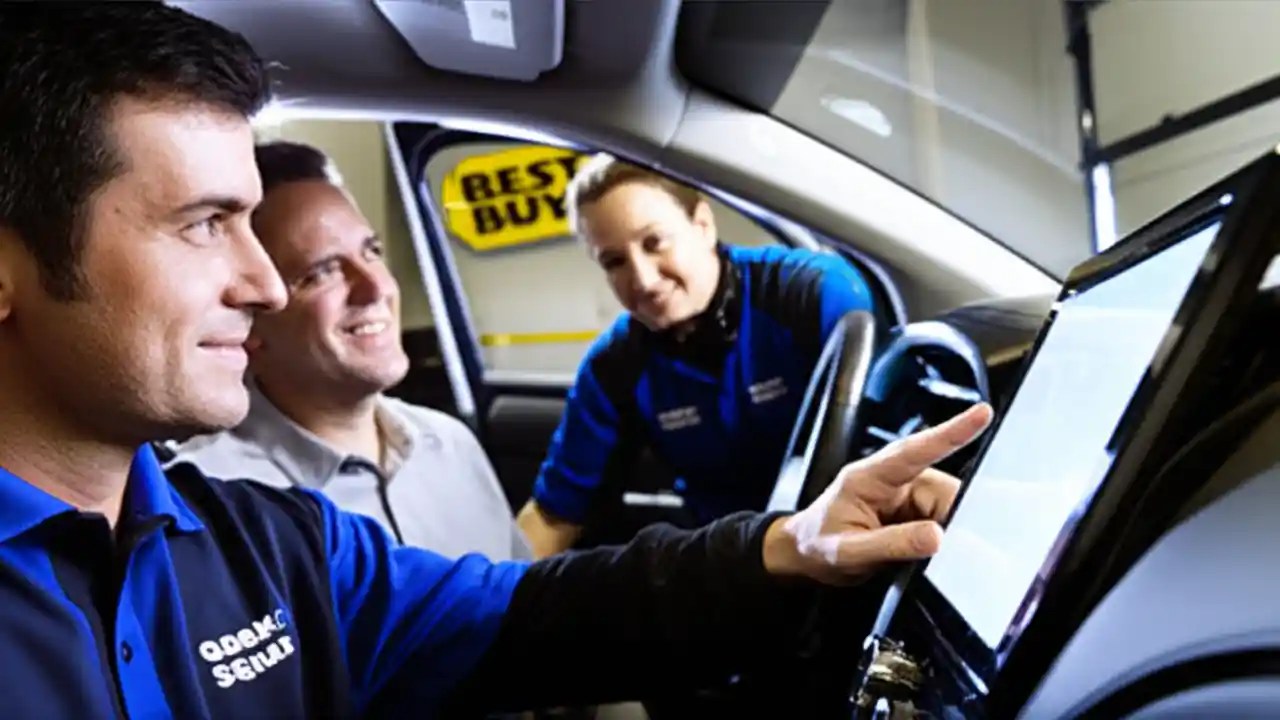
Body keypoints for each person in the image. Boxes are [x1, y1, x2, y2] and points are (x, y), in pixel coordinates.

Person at [0, 4, 992, 718]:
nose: (261, 286)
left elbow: (527, 614)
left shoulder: (272, 548)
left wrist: (795, 547)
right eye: (205, 224)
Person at [170, 140, 530, 562]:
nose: (376, 287)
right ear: (248, 322)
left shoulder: (450, 443)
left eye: (372, 252)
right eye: (322, 272)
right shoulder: (209, 500)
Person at [518, 154, 879, 558]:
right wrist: (481, 602)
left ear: (702, 225)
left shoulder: (811, 295)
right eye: (614, 261)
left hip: (843, 543)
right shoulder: (616, 365)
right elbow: (554, 516)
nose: (644, 280)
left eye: (654, 242)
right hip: (729, 566)